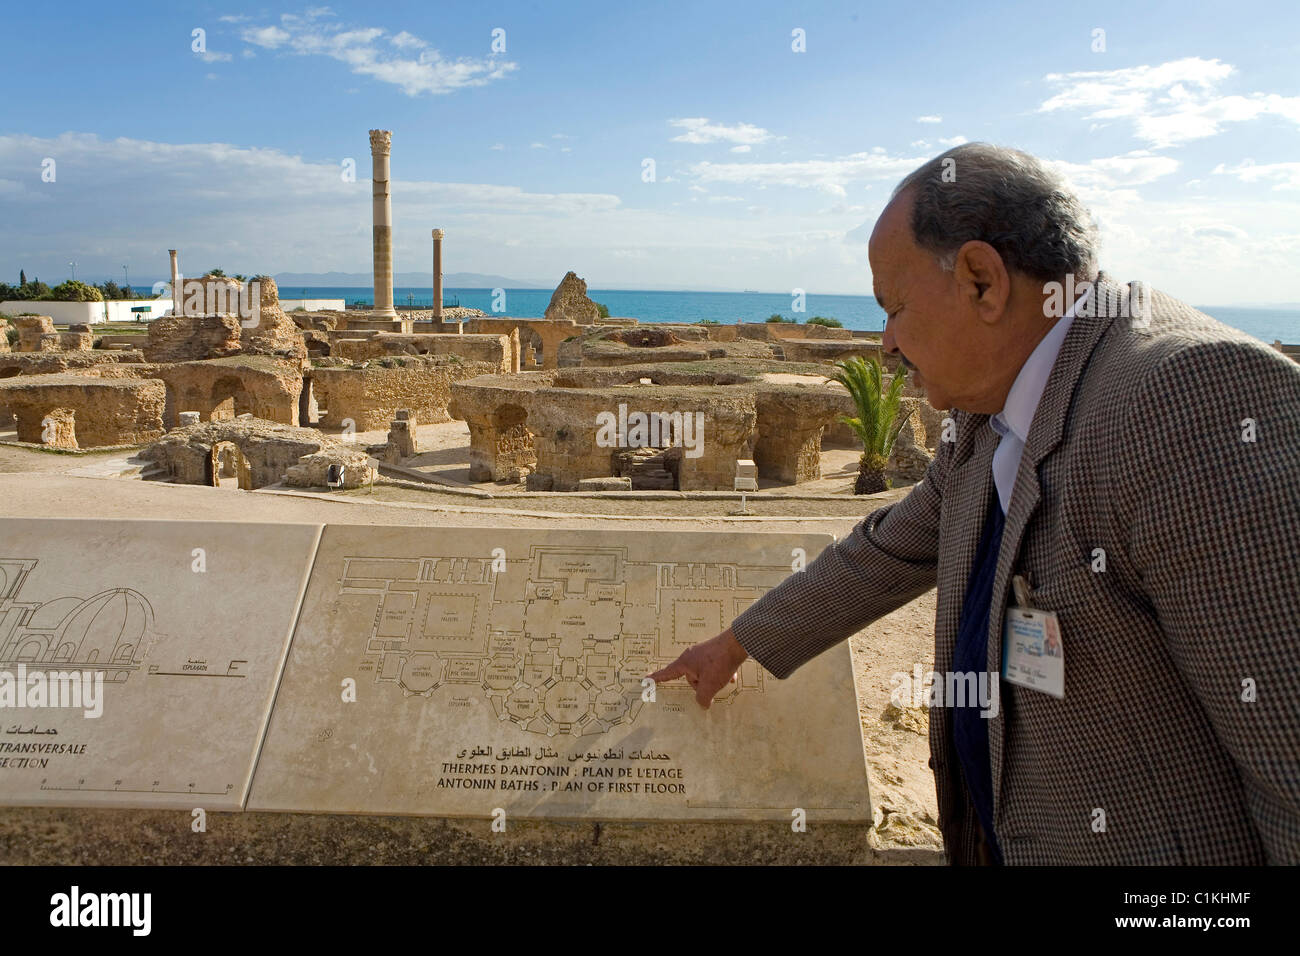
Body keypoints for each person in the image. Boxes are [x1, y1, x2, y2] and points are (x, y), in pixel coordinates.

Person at [649, 143, 1300, 865]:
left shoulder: (1187, 397)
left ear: (983, 281)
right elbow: (890, 550)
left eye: (894, 308)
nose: (887, 345)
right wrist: (738, 643)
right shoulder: (993, 403)